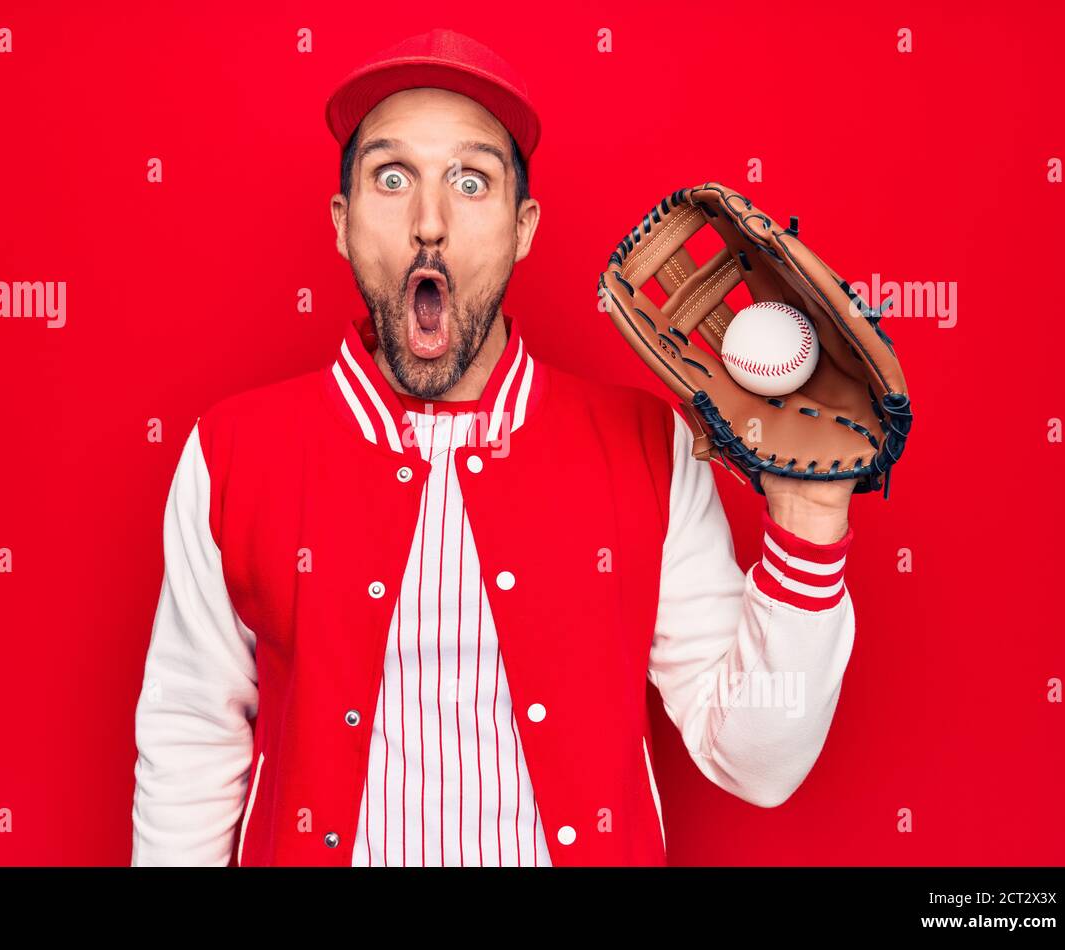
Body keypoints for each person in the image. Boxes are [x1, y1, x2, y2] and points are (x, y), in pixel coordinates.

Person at [130, 28, 856, 867]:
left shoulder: (650, 445)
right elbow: (189, 744)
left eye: (471, 182)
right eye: (391, 178)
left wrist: (809, 517)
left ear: (523, 228)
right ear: (341, 222)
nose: (428, 223)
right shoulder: (232, 453)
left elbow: (758, 763)